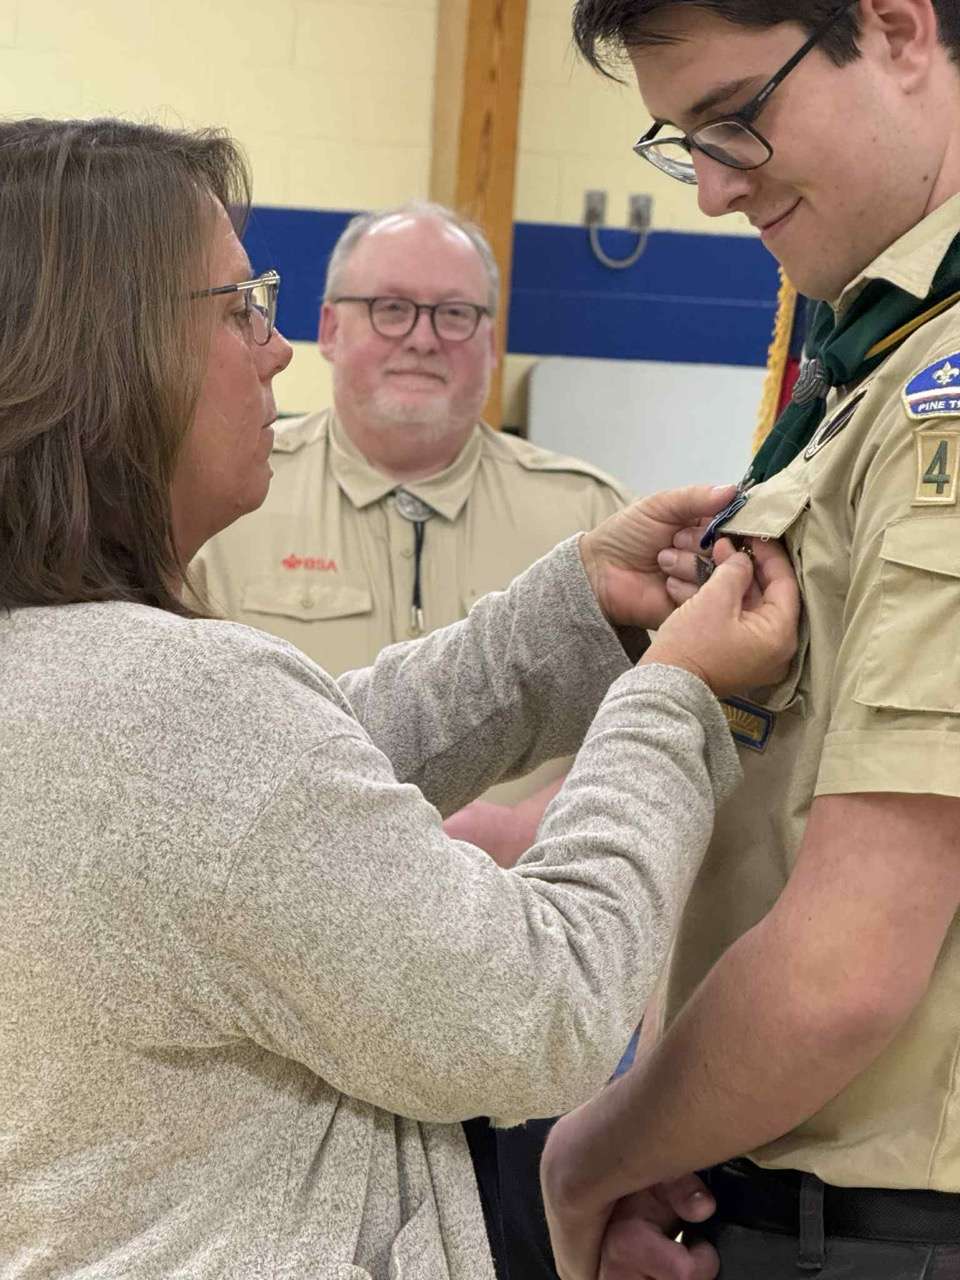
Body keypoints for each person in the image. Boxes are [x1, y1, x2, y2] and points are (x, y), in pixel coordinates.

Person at [0, 118, 799, 1279]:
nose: (276, 353)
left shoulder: (62, 671)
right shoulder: (179, 708)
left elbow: (267, 786)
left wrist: (569, 618)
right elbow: (546, 1009)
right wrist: (672, 695)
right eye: (239, 308)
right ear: (111, 352)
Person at [540, 2, 960, 1278]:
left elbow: (844, 967)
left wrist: (587, 1156)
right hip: (765, 1183)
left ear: (892, 29)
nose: (717, 193)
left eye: (738, 120)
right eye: (686, 143)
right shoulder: (877, 357)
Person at [191, 202, 629, 865]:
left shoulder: (592, 519)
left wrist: (541, 822)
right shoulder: (220, 503)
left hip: (520, 916)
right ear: (331, 328)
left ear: (490, 340)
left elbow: (663, 712)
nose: (422, 339)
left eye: (455, 314)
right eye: (390, 308)